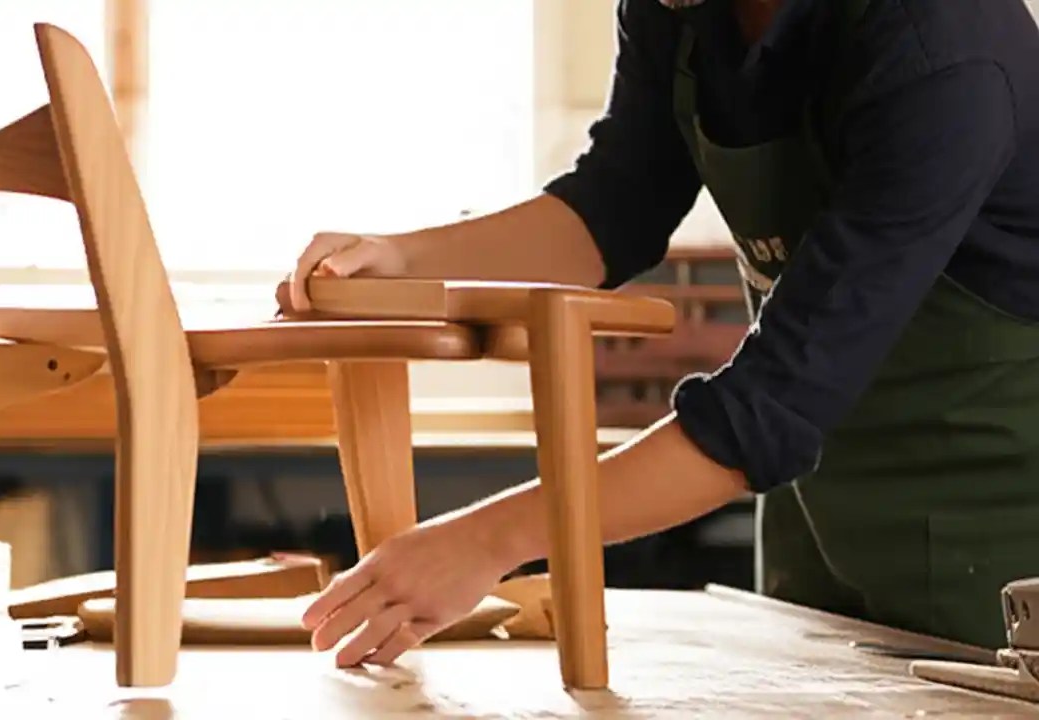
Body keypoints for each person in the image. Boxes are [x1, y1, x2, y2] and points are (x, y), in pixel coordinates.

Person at [280, 0, 1039, 668]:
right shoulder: (682, 9)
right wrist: (406, 260)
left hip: (996, 547)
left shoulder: (941, 50)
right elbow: (616, 204)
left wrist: (487, 541)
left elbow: (768, 408)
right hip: (821, 519)